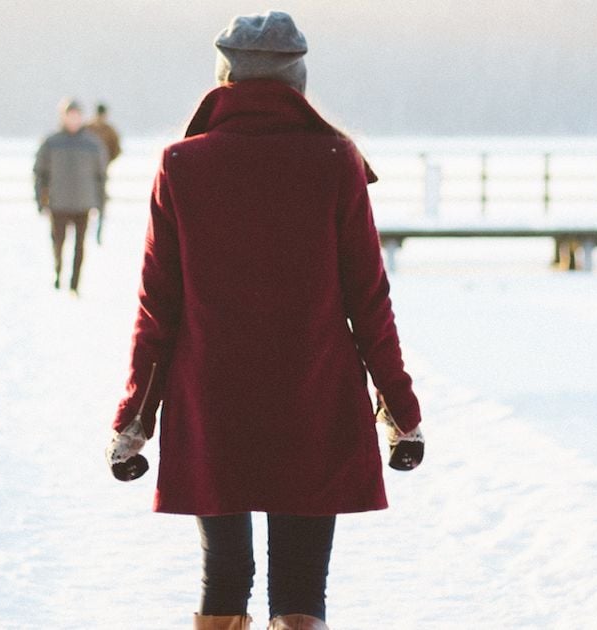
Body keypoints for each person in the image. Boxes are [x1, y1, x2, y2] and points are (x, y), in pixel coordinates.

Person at [105, 11, 425, 630]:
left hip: (211, 397)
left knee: (222, 574)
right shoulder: (335, 160)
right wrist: (400, 409)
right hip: (314, 394)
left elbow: (157, 308)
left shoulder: (181, 164)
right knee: (302, 586)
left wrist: (134, 418)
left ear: (224, 78)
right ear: (297, 80)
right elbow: (369, 299)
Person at [33, 99, 108, 292]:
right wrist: (40, 199)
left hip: (83, 203)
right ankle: (58, 271)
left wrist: (100, 203)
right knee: (58, 242)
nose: (73, 120)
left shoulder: (92, 143)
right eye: (70, 116)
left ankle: (75, 283)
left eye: (76, 116)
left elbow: (100, 176)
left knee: (80, 246)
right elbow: (40, 172)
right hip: (58, 203)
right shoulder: (51, 143)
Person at [84, 102, 121, 245]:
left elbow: (116, 149)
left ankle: (98, 232)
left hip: (101, 171)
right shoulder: (88, 129)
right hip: (87, 172)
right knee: (87, 201)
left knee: (101, 202)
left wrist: (106, 161)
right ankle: (86, 230)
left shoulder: (109, 130)